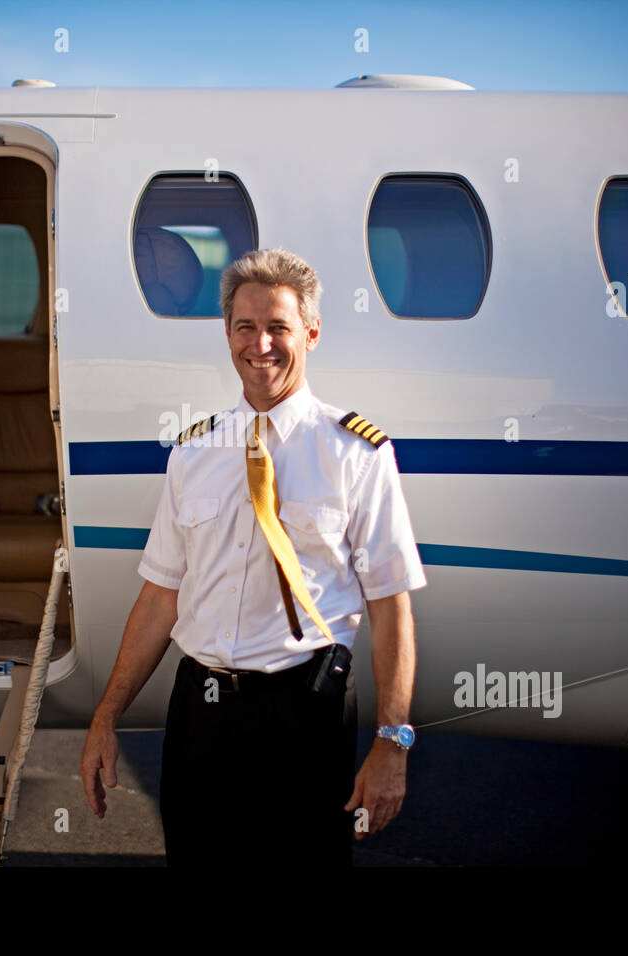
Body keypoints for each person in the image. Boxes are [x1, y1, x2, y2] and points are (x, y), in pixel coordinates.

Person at [79, 247, 426, 866]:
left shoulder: (356, 454)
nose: (259, 343)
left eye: (278, 328)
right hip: (201, 716)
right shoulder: (193, 452)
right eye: (245, 327)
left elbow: (391, 606)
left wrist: (392, 744)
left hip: (304, 716)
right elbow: (161, 596)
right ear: (228, 335)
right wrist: (107, 715)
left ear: (311, 334)